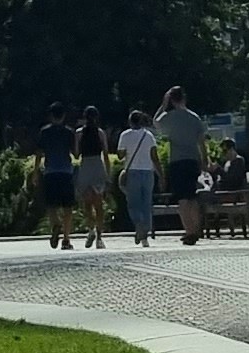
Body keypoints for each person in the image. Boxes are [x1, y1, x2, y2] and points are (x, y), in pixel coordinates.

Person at [154, 84, 209, 247]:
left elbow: (155, 122)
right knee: (192, 196)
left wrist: (163, 104)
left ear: (171, 100)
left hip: (177, 161)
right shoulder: (194, 117)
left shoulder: (168, 117)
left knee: (182, 199)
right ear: (184, 98)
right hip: (193, 160)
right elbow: (201, 142)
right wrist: (205, 160)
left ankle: (189, 231)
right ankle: (196, 228)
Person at [117, 105, 159, 249]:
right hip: (148, 172)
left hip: (133, 171)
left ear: (130, 121)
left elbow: (120, 155)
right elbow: (155, 156)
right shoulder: (149, 136)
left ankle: (138, 224)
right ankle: (144, 233)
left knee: (133, 203)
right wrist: (161, 174)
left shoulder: (125, 135)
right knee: (146, 203)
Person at [38, 104, 78, 252]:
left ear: (50, 116)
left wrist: (36, 172)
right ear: (63, 116)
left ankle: (55, 224)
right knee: (68, 207)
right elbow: (75, 153)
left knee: (51, 205)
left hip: (50, 171)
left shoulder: (44, 132)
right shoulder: (69, 132)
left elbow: (38, 153)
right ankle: (66, 239)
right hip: (66, 171)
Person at [76, 109, 112, 252]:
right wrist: (108, 175)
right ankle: (99, 236)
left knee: (87, 203)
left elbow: (77, 153)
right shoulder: (100, 133)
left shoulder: (79, 133)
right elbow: (106, 154)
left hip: (85, 165)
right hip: (97, 165)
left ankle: (90, 229)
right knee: (99, 204)